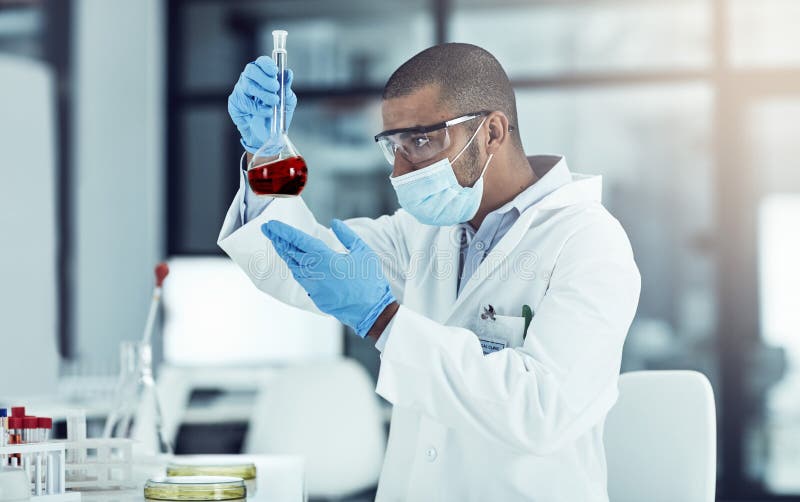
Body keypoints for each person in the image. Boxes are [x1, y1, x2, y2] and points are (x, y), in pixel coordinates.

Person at [220, 43, 641, 501]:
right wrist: (267, 157)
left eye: (421, 141)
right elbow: (295, 258)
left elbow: (542, 411)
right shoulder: (423, 233)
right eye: (394, 146)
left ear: (492, 133)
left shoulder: (589, 242)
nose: (401, 170)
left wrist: (383, 319)